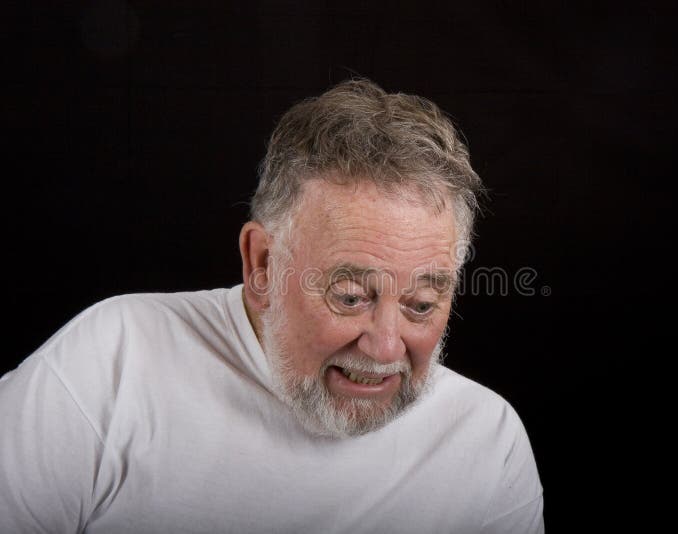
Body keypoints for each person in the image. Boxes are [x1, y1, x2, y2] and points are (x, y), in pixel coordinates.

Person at [0, 79, 544, 533]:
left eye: (422, 305)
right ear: (261, 264)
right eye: (350, 296)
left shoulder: (486, 443)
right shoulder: (110, 364)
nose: (384, 347)